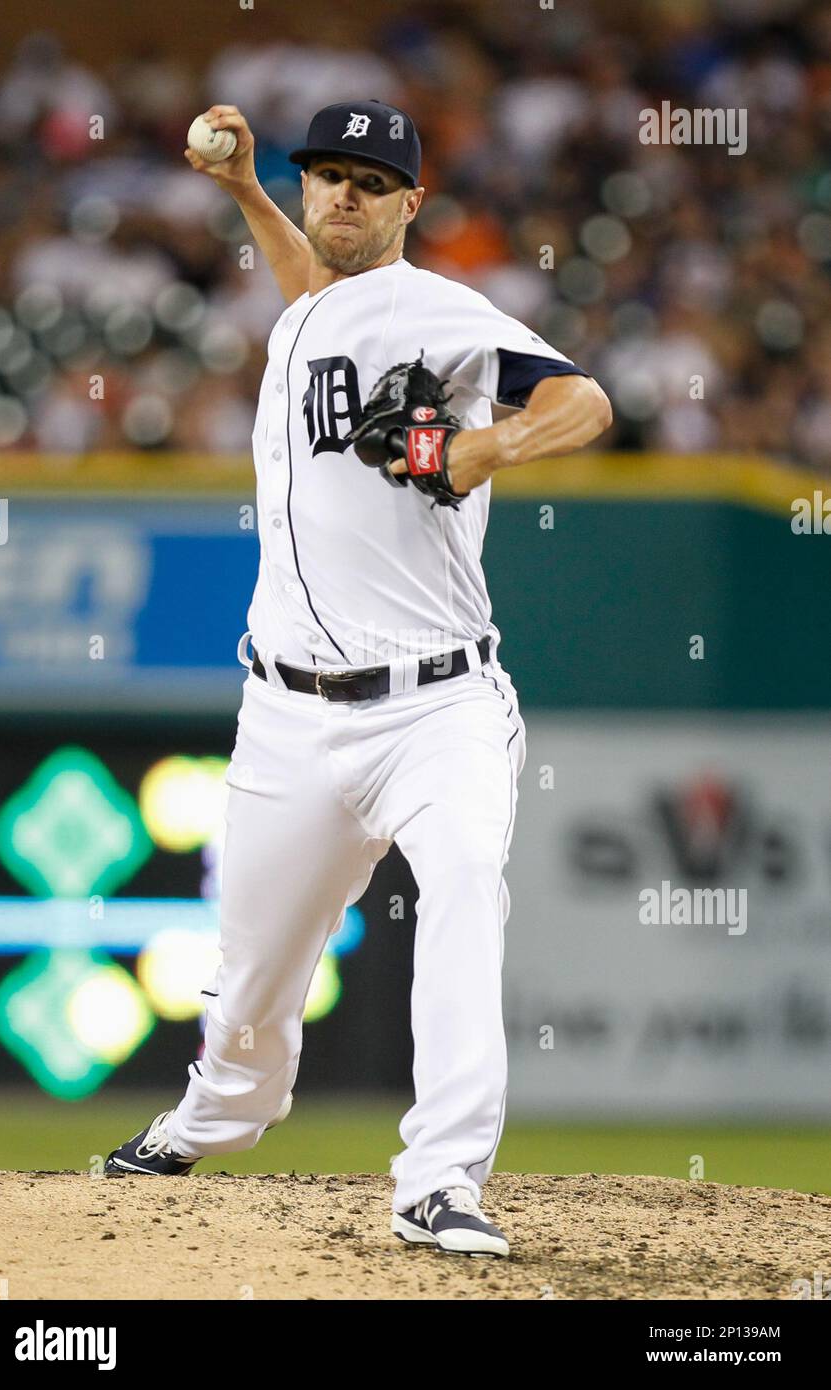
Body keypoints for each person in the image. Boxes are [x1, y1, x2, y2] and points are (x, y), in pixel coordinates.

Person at [105, 99, 612, 1258]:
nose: (341, 194)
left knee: (462, 902)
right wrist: (244, 194)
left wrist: (488, 445)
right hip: (286, 713)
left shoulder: (447, 310)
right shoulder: (309, 313)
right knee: (246, 982)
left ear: (408, 204)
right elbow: (319, 297)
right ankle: (214, 1118)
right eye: (325, 174)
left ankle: (439, 1179)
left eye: (367, 181)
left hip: (438, 706)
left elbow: (580, 401)